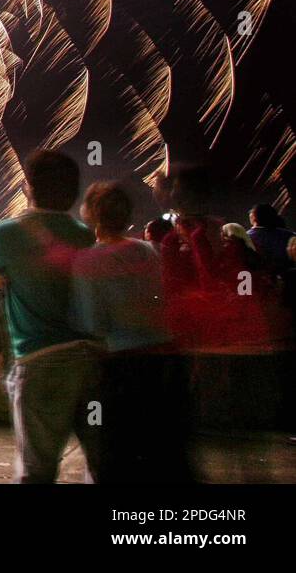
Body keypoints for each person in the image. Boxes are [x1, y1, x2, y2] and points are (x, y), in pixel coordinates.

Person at [0, 148, 99, 483]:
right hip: (91, 361)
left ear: (29, 187)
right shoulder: (85, 234)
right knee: (100, 462)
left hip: (39, 359)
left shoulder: (7, 232)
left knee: (37, 468)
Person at [71, 182, 192, 483]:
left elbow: (93, 324)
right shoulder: (149, 251)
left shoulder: (89, 260)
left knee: (116, 460)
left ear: (92, 215)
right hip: (167, 363)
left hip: (122, 368)